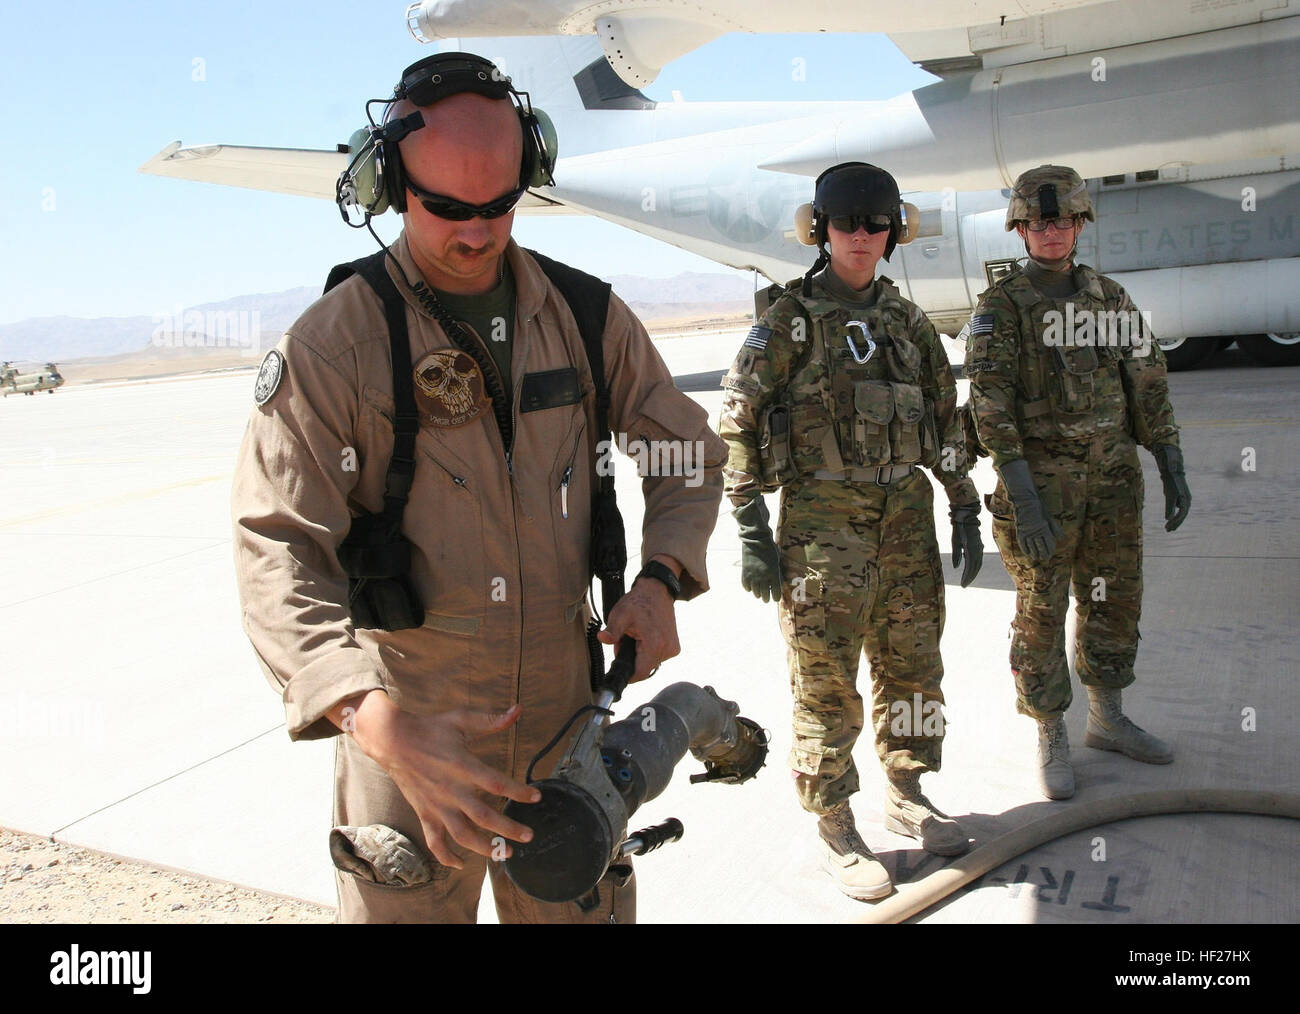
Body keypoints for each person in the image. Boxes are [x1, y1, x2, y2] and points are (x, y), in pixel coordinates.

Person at [230, 53, 726, 923]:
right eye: (447, 209)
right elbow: (276, 540)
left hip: (565, 723)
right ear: (390, 186)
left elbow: (686, 452)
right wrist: (372, 720)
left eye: (498, 205)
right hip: (407, 724)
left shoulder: (585, 317)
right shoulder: (334, 347)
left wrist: (661, 578)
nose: (477, 234)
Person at [718, 162, 983, 901]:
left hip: (905, 521)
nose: (860, 237)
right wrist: (748, 525)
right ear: (821, 229)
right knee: (826, 682)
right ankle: (835, 821)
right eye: (845, 223)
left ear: (893, 232)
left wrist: (961, 500)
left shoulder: (907, 323)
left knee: (912, 668)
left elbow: (941, 422)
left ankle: (907, 788)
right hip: (821, 526)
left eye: (874, 224)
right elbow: (736, 421)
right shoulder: (789, 319)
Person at [963, 164, 1190, 800]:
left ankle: (1107, 717)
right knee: (1041, 609)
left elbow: (1145, 379)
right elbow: (990, 402)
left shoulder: (1107, 297)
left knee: (1115, 598)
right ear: (1020, 229)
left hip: (1114, 483)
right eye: (1038, 222)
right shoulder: (1002, 307)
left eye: (1062, 220)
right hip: (1042, 487)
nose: (1051, 232)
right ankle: (1049, 731)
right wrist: (1023, 494)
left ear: (1080, 223)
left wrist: (1169, 459)